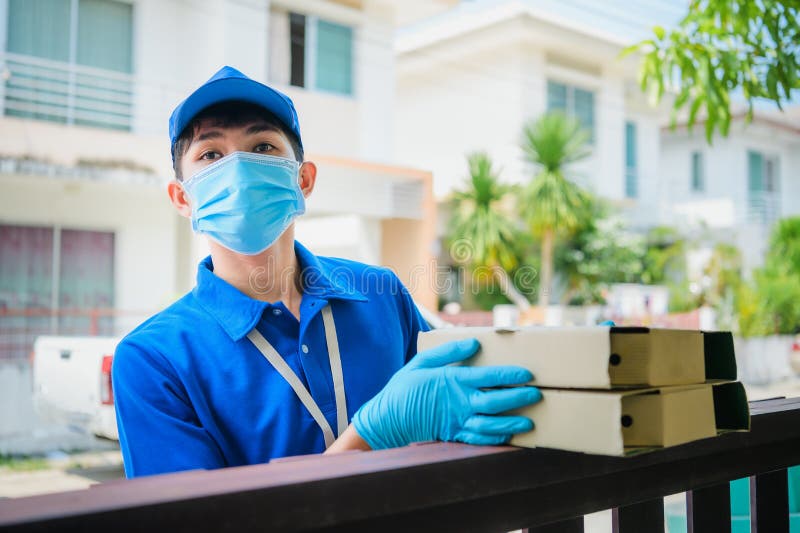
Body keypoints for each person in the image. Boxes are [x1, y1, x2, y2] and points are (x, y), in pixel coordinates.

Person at [112, 66, 543, 478]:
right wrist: (371, 436)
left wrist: (577, 358)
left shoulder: (381, 295)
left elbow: (473, 377)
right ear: (182, 198)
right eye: (211, 154)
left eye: (263, 147)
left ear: (304, 179)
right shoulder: (154, 360)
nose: (239, 170)